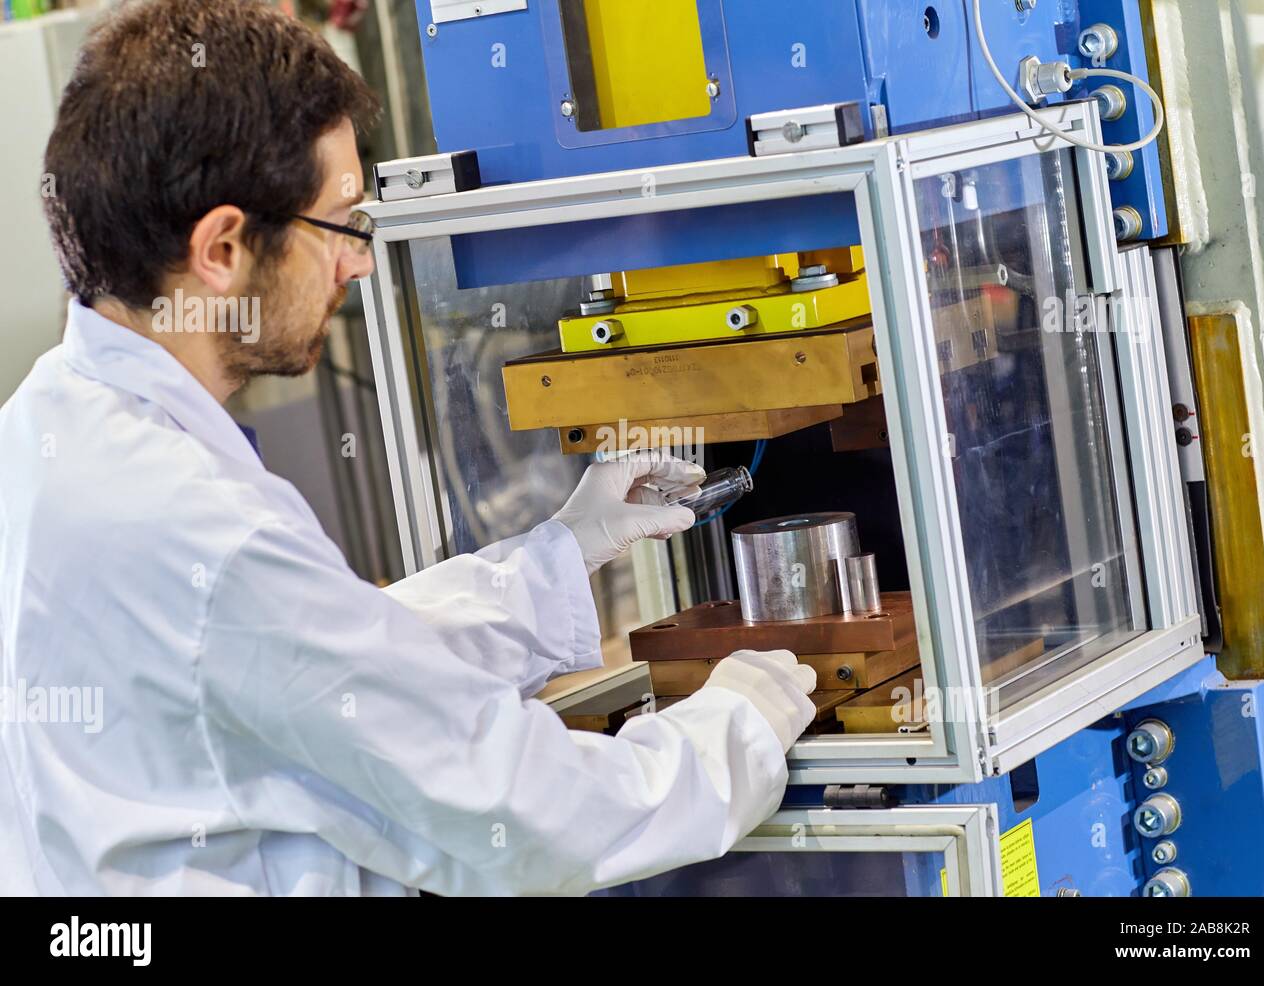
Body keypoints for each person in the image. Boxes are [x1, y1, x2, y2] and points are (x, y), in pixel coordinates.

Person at [0, 0, 815, 896]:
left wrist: (564, 552)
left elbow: (336, 666)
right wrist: (733, 728)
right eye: (342, 224)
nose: (358, 263)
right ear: (223, 248)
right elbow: (522, 816)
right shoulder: (202, 530)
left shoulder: (44, 430)